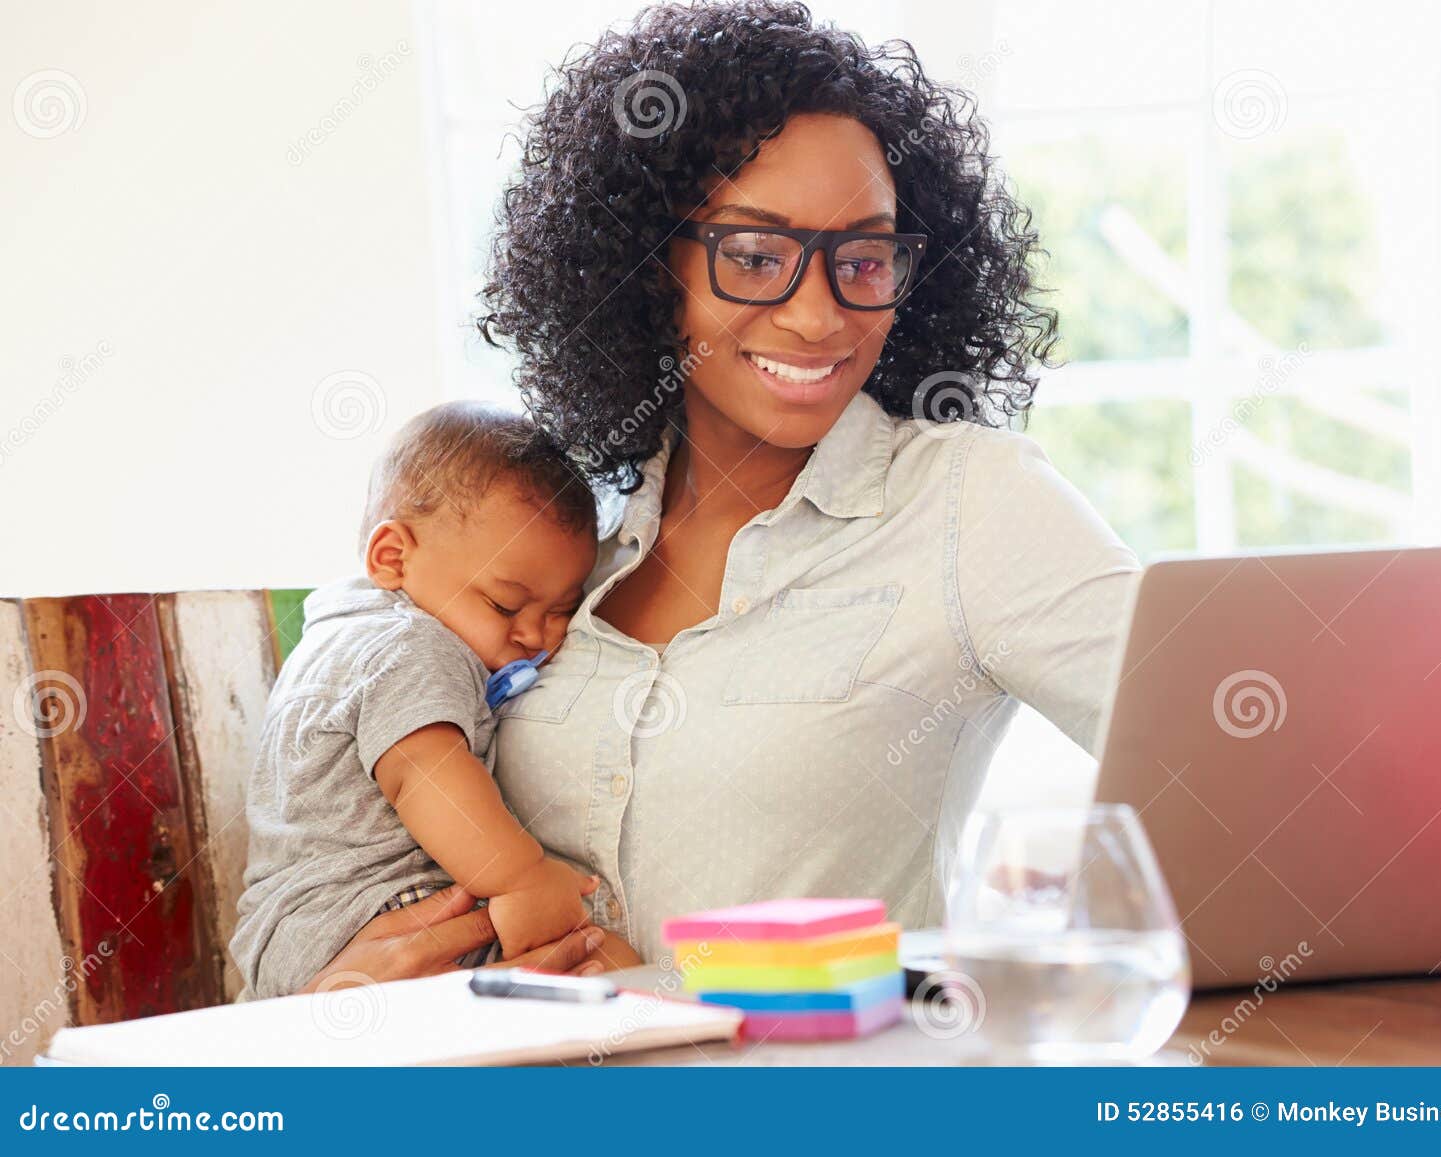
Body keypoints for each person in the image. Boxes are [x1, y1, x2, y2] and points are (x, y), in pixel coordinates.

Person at [284, 0, 1139, 993]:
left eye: (862, 258)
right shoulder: (563, 535)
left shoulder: (965, 503)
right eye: (755, 256)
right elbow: (361, 779)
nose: (818, 315)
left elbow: (1251, 762)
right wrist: (330, 989)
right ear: (653, 269)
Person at [231, 402, 639, 999]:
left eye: (560, 611)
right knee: (610, 963)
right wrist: (523, 879)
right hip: (367, 912)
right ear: (393, 557)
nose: (534, 635)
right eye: (506, 605)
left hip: (298, 934)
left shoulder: (339, 631)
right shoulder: (412, 643)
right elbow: (424, 775)